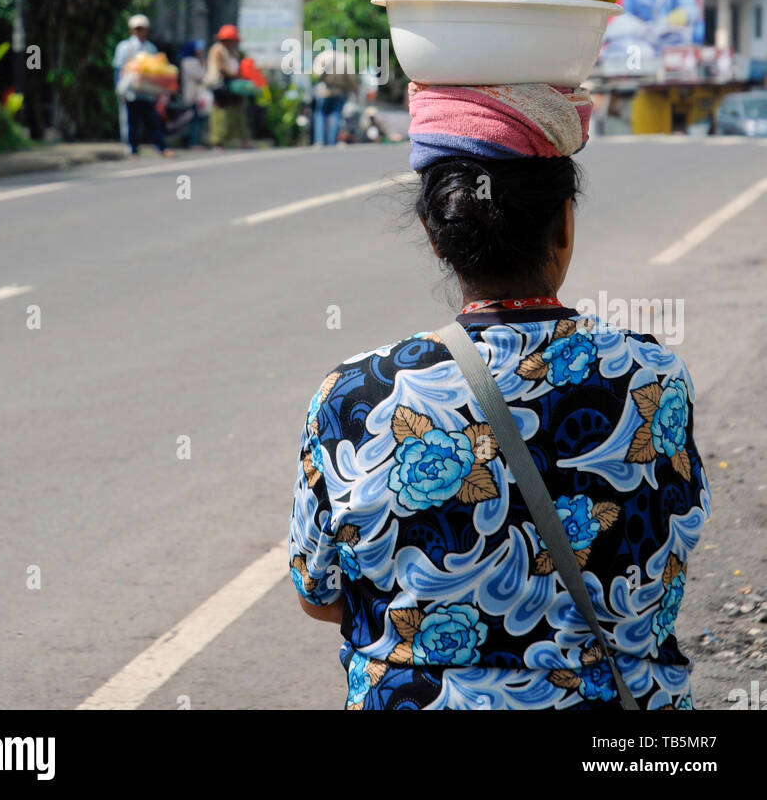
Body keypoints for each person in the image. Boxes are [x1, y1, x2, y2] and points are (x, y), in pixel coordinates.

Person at [289, 83, 710, 710]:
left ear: (437, 236)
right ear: (563, 225)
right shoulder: (653, 376)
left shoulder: (356, 393)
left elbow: (318, 595)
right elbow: (667, 556)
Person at [113, 14, 172, 157]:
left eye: (143, 28)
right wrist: (119, 87)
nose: (140, 31)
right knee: (130, 121)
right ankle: (132, 149)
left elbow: (157, 70)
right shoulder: (124, 47)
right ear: (132, 30)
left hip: (146, 91)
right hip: (131, 91)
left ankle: (161, 147)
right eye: (137, 29)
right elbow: (118, 68)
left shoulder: (150, 48)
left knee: (152, 120)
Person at [203, 24, 250, 148]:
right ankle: (218, 140)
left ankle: (238, 138)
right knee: (220, 111)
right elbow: (221, 66)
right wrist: (233, 74)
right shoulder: (217, 49)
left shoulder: (232, 51)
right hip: (220, 83)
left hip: (232, 84)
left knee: (237, 109)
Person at [311, 42, 357, 146]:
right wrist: (353, 90)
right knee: (335, 114)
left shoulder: (323, 56)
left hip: (324, 90)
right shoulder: (346, 58)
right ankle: (332, 141)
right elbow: (351, 78)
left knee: (320, 114)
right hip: (339, 91)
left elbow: (316, 74)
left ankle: (319, 141)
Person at [179, 39, 208, 147]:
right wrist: (204, 65)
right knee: (194, 120)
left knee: (197, 119)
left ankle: (196, 141)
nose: (200, 51)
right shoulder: (189, 61)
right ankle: (193, 142)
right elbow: (201, 75)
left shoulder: (193, 61)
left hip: (197, 95)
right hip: (193, 95)